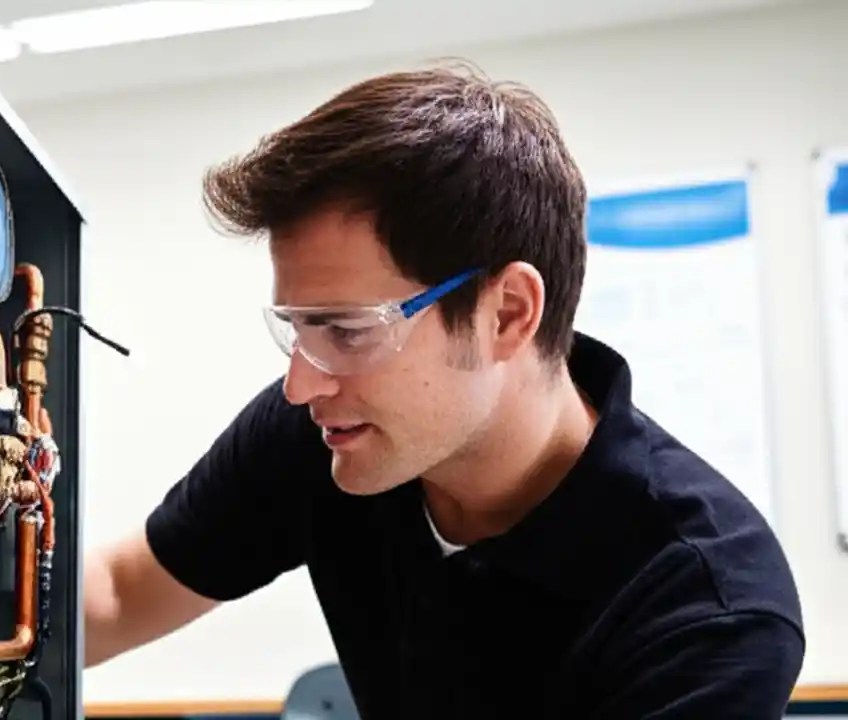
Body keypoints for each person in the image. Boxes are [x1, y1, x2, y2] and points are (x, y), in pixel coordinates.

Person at [81, 61, 805, 718]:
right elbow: (117, 595)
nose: (300, 384)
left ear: (508, 314)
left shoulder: (706, 611)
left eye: (347, 330)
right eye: (296, 328)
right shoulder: (325, 434)